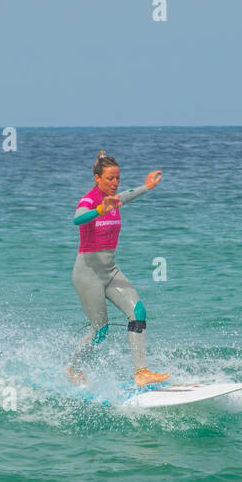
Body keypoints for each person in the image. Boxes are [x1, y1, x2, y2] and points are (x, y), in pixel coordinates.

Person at [66, 151, 170, 387]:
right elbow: (77, 219)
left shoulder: (114, 198)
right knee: (100, 331)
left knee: (138, 313)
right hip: (88, 274)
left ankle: (141, 372)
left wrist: (146, 187)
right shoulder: (90, 200)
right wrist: (100, 210)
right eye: (109, 179)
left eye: (117, 179)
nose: (114, 184)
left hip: (110, 272)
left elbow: (126, 196)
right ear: (97, 178)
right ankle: (73, 368)